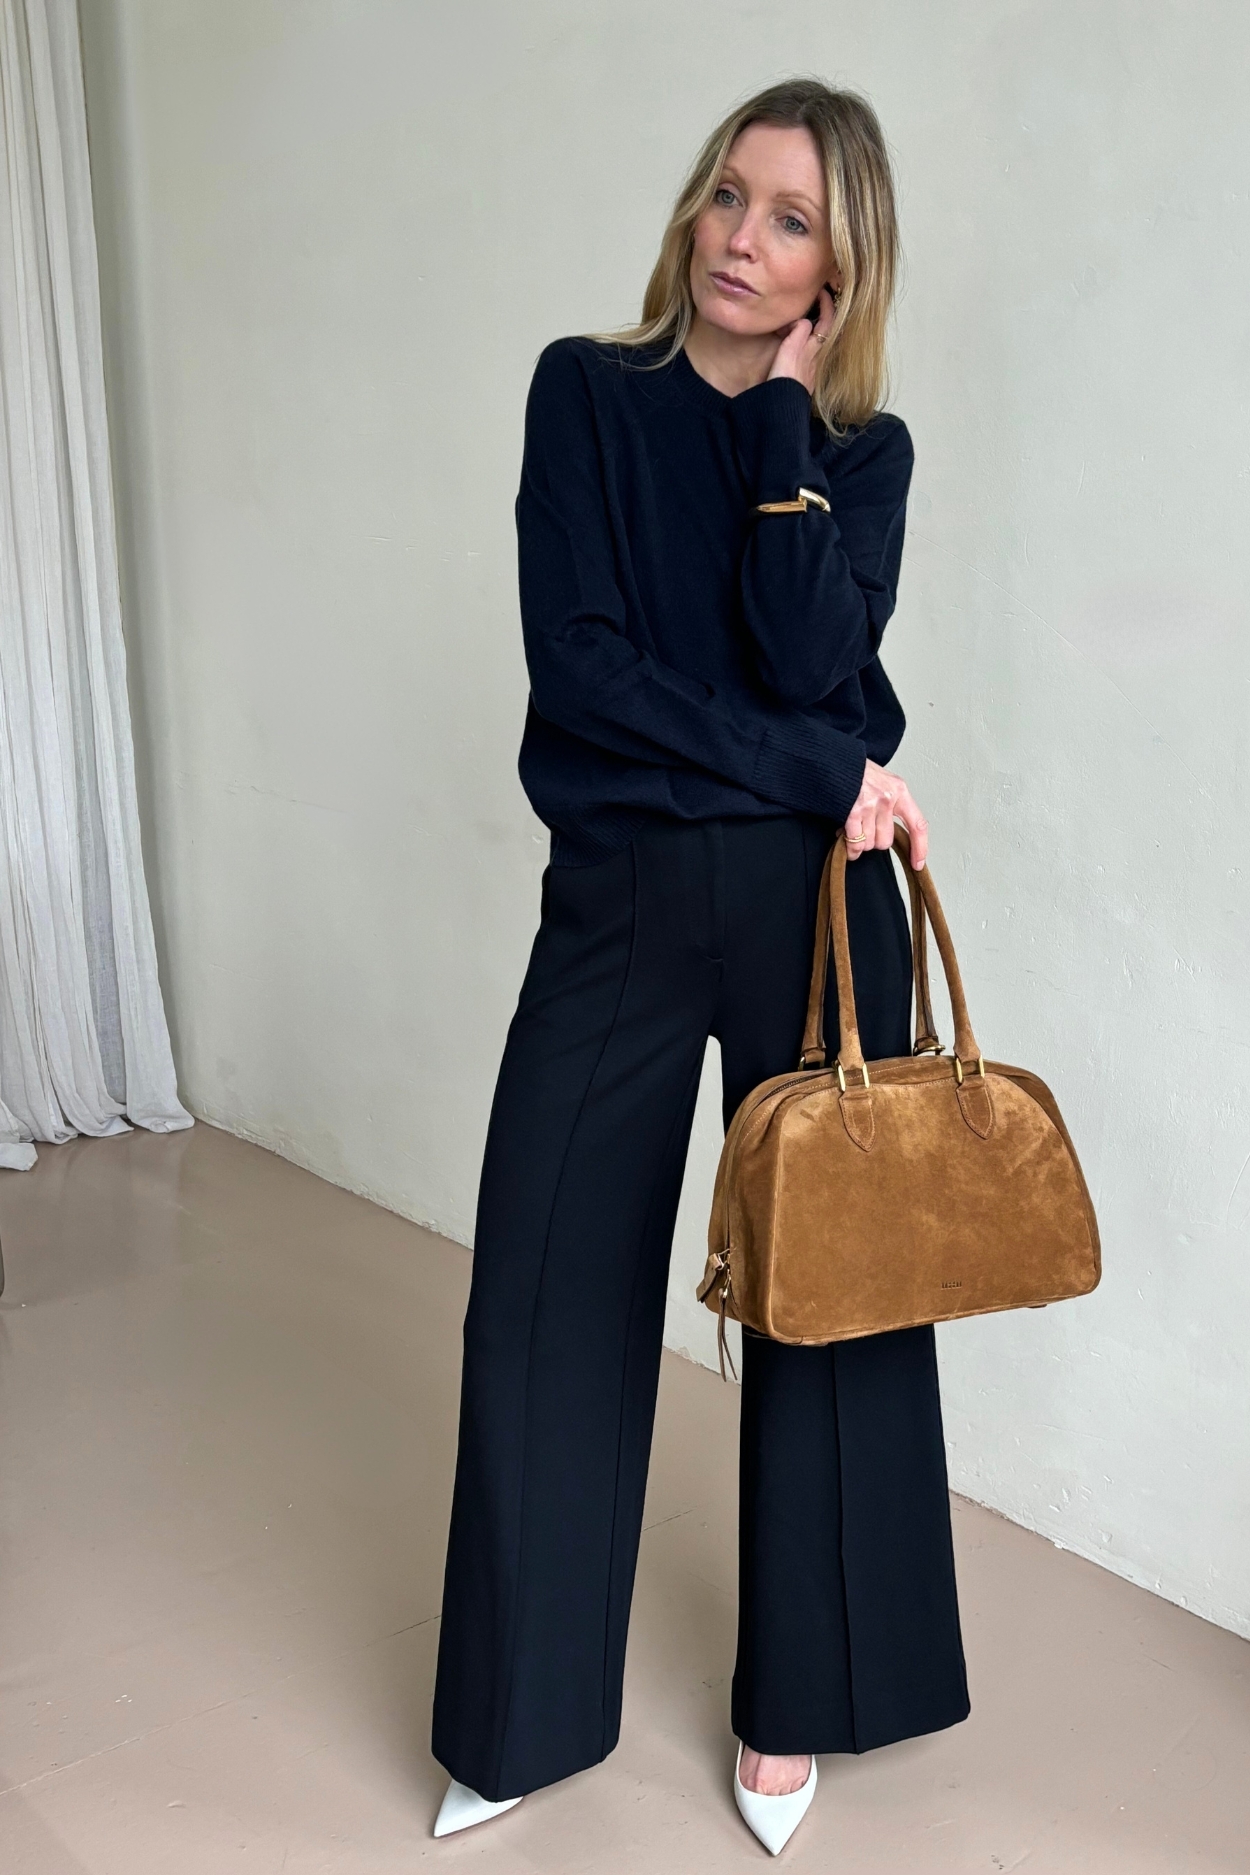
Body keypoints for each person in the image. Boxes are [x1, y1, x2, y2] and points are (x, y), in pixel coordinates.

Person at [430, 76, 969, 1855]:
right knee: (544, 1279)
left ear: (840, 263)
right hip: (622, 898)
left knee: (830, 1293)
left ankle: (797, 1704)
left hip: (818, 920)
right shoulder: (585, 393)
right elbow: (580, 669)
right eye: (727, 197)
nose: (740, 238)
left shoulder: (857, 453)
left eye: (790, 217)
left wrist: (787, 437)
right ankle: (515, 1717)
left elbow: (809, 656)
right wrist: (819, 772)